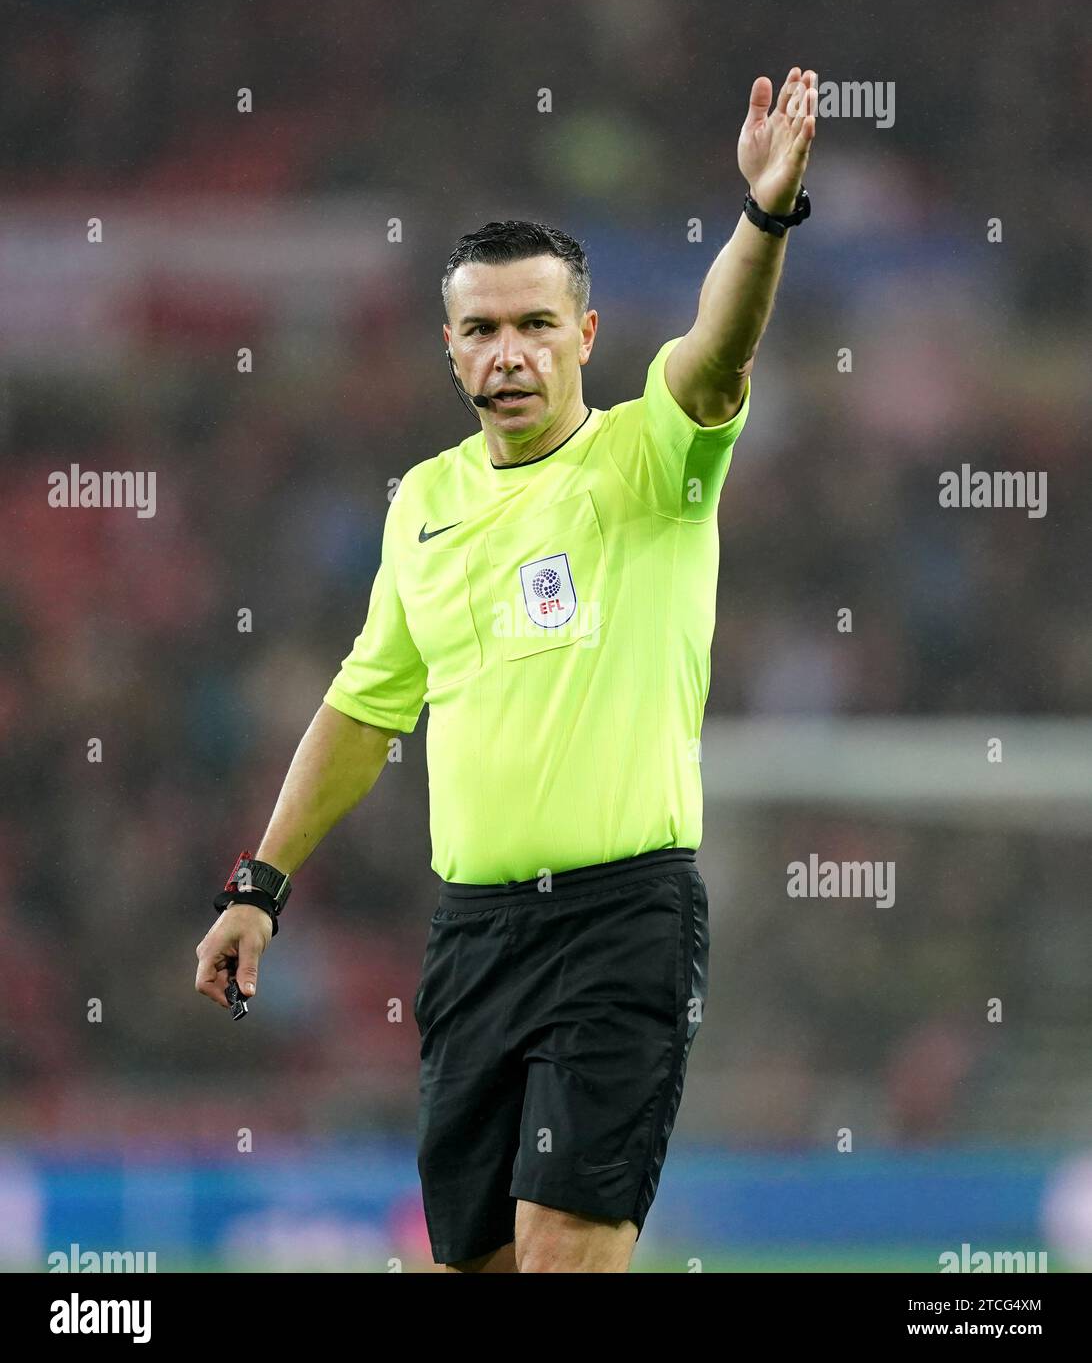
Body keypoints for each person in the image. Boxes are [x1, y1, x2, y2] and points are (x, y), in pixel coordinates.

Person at [196, 67, 818, 1272]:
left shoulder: (650, 461)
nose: (511, 352)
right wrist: (257, 887)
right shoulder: (424, 502)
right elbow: (366, 708)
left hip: (621, 917)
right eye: (482, 328)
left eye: (538, 324)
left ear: (585, 334)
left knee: (562, 1254)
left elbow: (718, 351)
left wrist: (765, 217)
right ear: (449, 349)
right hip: (474, 937)